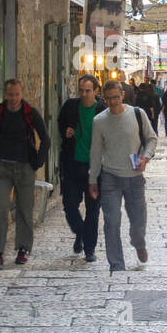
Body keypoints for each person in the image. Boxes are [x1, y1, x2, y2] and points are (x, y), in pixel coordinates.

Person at [88, 80, 158, 271]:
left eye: (116, 98)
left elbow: (151, 138)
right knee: (111, 221)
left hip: (135, 176)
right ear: (104, 97)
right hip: (110, 176)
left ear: (122, 96)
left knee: (138, 221)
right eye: (109, 99)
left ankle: (139, 243)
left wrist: (145, 157)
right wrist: (93, 179)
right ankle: (117, 265)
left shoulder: (137, 114)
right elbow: (95, 152)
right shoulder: (99, 121)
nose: (113, 102)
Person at [0, 78, 50, 268]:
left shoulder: (30, 113)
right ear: (5, 94)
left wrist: (37, 162)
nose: (14, 98)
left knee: (25, 209)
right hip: (2, 167)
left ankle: (23, 248)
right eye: (10, 94)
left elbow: (45, 138)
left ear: (21, 93)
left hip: (24, 168)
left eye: (17, 94)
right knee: (0, 207)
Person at [57, 75, 106, 263]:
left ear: (96, 91)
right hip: (73, 165)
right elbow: (61, 125)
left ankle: (90, 249)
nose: (84, 94)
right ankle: (80, 232)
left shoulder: (103, 110)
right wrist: (66, 132)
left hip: (96, 168)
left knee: (93, 211)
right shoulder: (70, 106)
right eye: (81, 90)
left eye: (88, 90)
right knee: (69, 205)